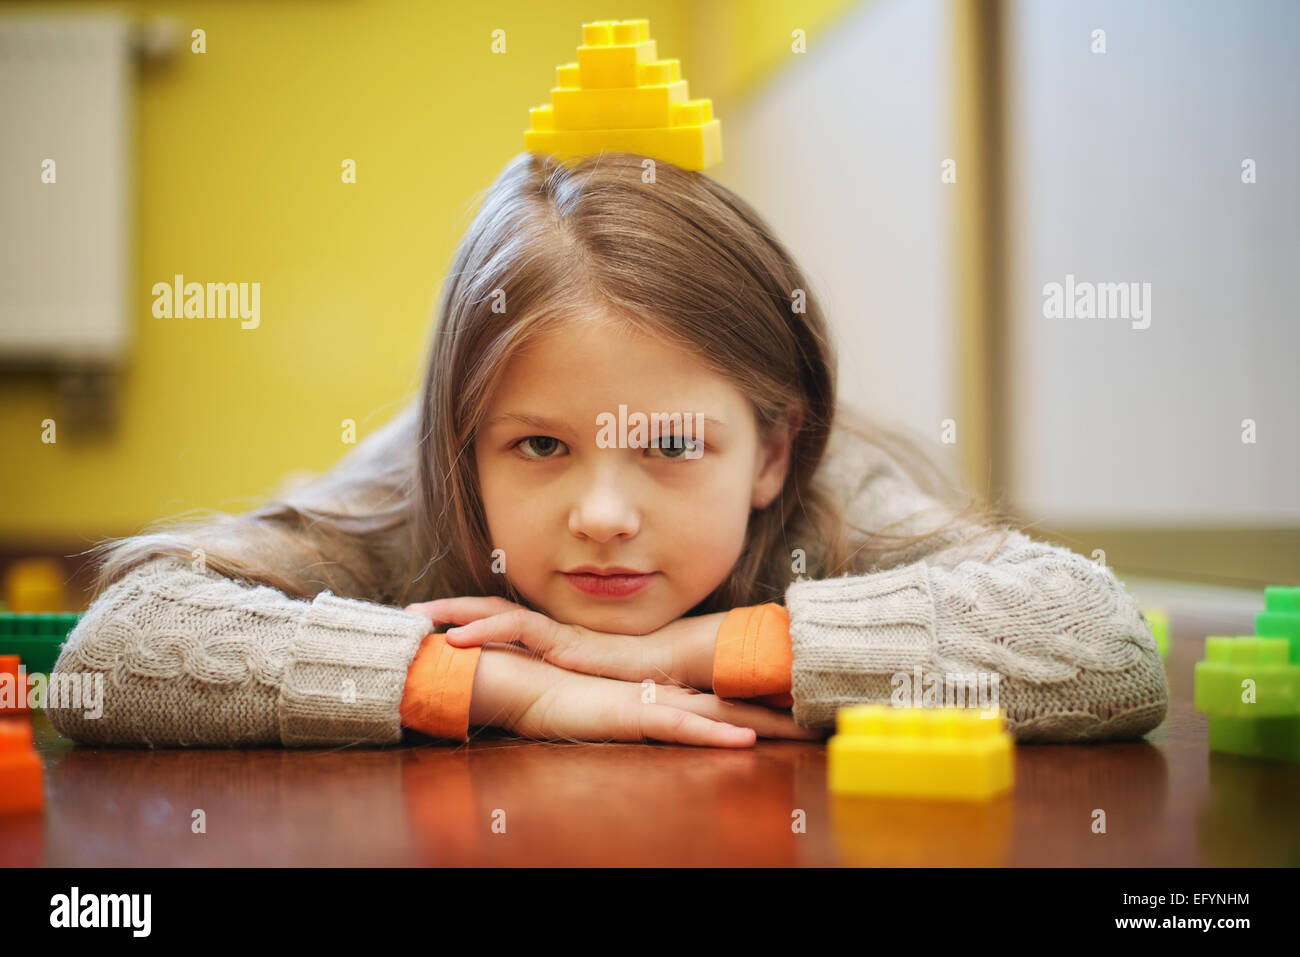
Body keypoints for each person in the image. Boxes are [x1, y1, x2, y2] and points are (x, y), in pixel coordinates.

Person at [46, 151, 1168, 749]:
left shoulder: (833, 503)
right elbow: (116, 652)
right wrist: (505, 689)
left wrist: (689, 652)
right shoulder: (406, 502)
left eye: (670, 448)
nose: (602, 514)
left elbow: (1104, 644)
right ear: (462, 448)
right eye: (538, 445)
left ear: (775, 453)